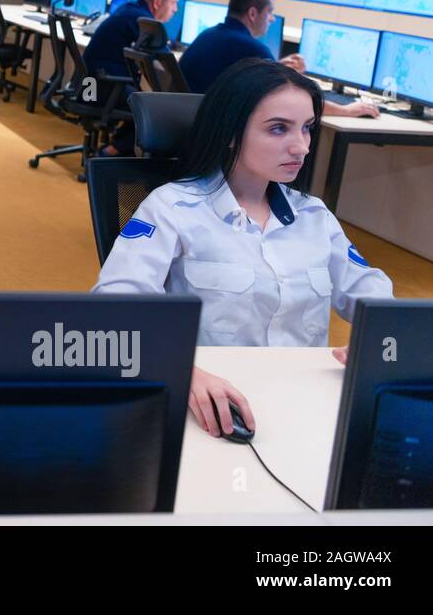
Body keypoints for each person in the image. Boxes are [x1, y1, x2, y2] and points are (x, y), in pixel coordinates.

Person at [93, 59, 393, 436]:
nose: (300, 146)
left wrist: (383, 339)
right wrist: (179, 368)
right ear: (232, 133)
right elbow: (116, 306)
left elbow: (372, 294)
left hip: (305, 406)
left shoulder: (314, 217)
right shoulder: (172, 209)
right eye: (278, 129)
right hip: (210, 405)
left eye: (307, 129)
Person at [179, 0, 379, 118]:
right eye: (270, 12)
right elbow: (293, 100)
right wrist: (347, 110)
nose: (272, 18)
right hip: (212, 132)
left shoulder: (210, 34)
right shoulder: (252, 48)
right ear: (252, 13)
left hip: (191, 122)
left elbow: (241, 71)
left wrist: (274, 67)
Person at [81, 0, 180, 155]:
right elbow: (164, 60)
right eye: (174, 3)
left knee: (145, 101)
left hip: (91, 83)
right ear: (157, 3)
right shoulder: (143, 21)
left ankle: (115, 147)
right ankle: (111, 152)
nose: (175, 9)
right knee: (156, 111)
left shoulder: (129, 10)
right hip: (101, 87)